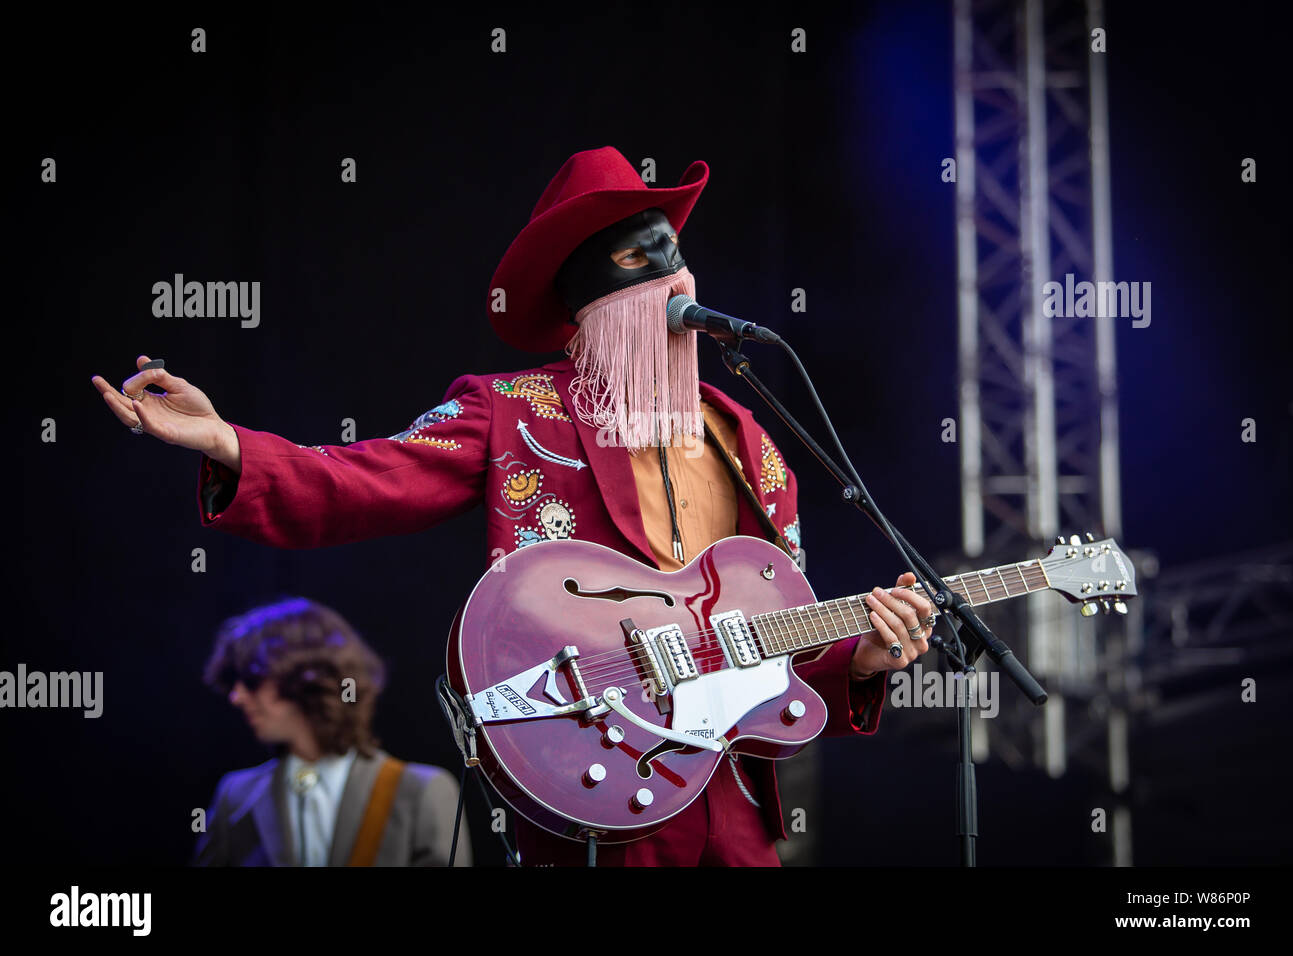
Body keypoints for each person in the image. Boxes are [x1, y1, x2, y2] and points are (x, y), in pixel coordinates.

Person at [93, 145, 935, 866]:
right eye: (645, 264)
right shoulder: (517, 410)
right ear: (592, 308)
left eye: (677, 254)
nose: (678, 278)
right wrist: (229, 443)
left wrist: (859, 658)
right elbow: (368, 478)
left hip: (735, 807)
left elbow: (773, 638)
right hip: (597, 776)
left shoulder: (744, 436)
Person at [191, 596, 471, 866]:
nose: (236, 697)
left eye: (250, 680)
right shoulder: (236, 796)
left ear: (305, 678)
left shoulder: (422, 791)